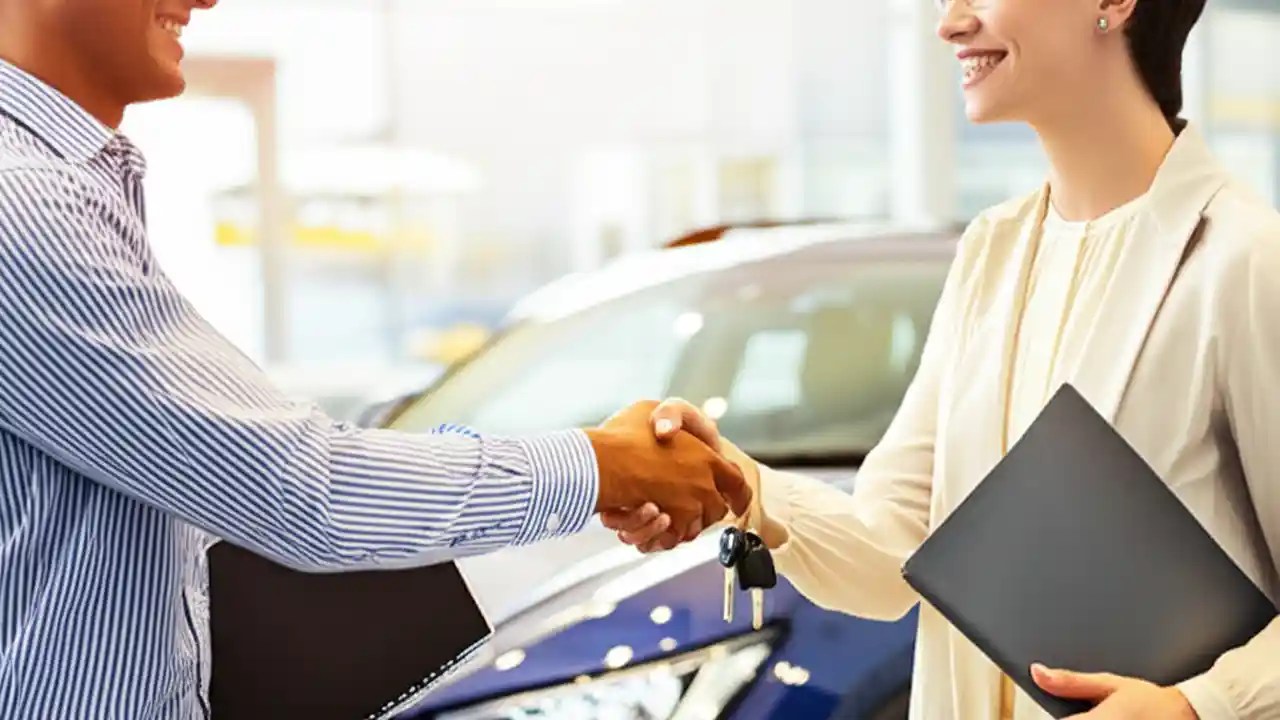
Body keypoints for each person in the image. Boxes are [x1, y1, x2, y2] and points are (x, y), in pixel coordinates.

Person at [0, 1, 749, 717]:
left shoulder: (63, 187)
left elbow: (228, 485)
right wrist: (601, 466)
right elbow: (299, 485)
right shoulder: (24, 202)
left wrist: (598, 470)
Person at [610, 0, 1280, 717]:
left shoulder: (1245, 259)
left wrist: (1198, 704)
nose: (950, 23)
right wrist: (734, 481)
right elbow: (891, 558)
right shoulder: (991, 252)